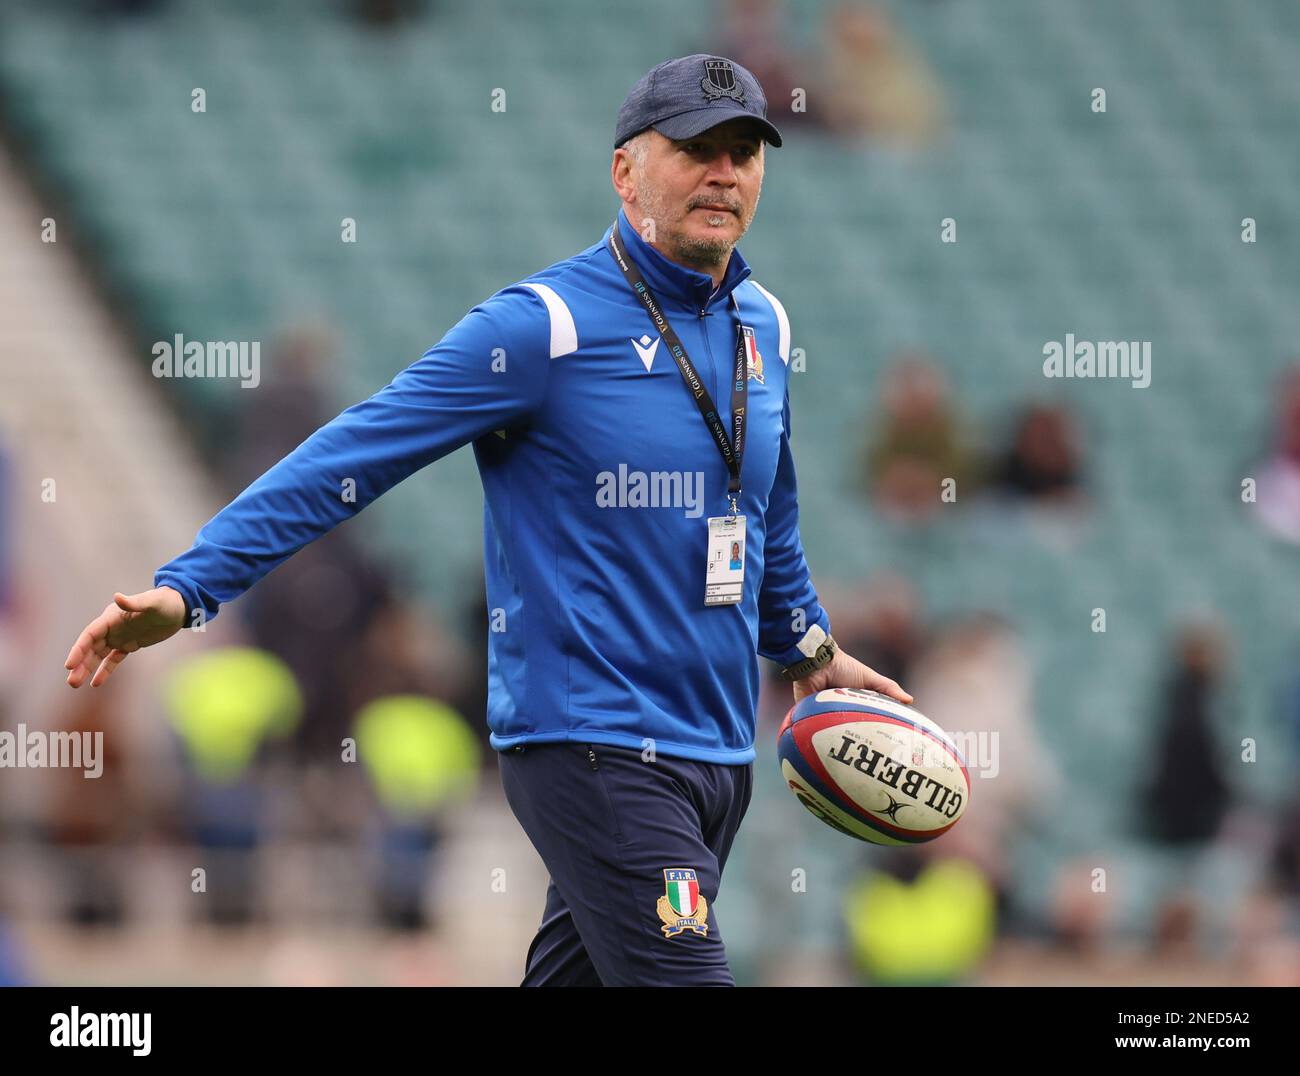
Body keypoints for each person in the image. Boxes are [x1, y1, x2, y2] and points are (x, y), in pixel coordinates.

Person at [62, 53, 910, 986]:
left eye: (745, 151)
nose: (726, 173)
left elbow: (764, 503)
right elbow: (354, 453)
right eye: (696, 149)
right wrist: (191, 585)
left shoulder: (765, 326)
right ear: (626, 171)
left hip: (718, 750)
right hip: (595, 745)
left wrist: (804, 643)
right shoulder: (539, 327)